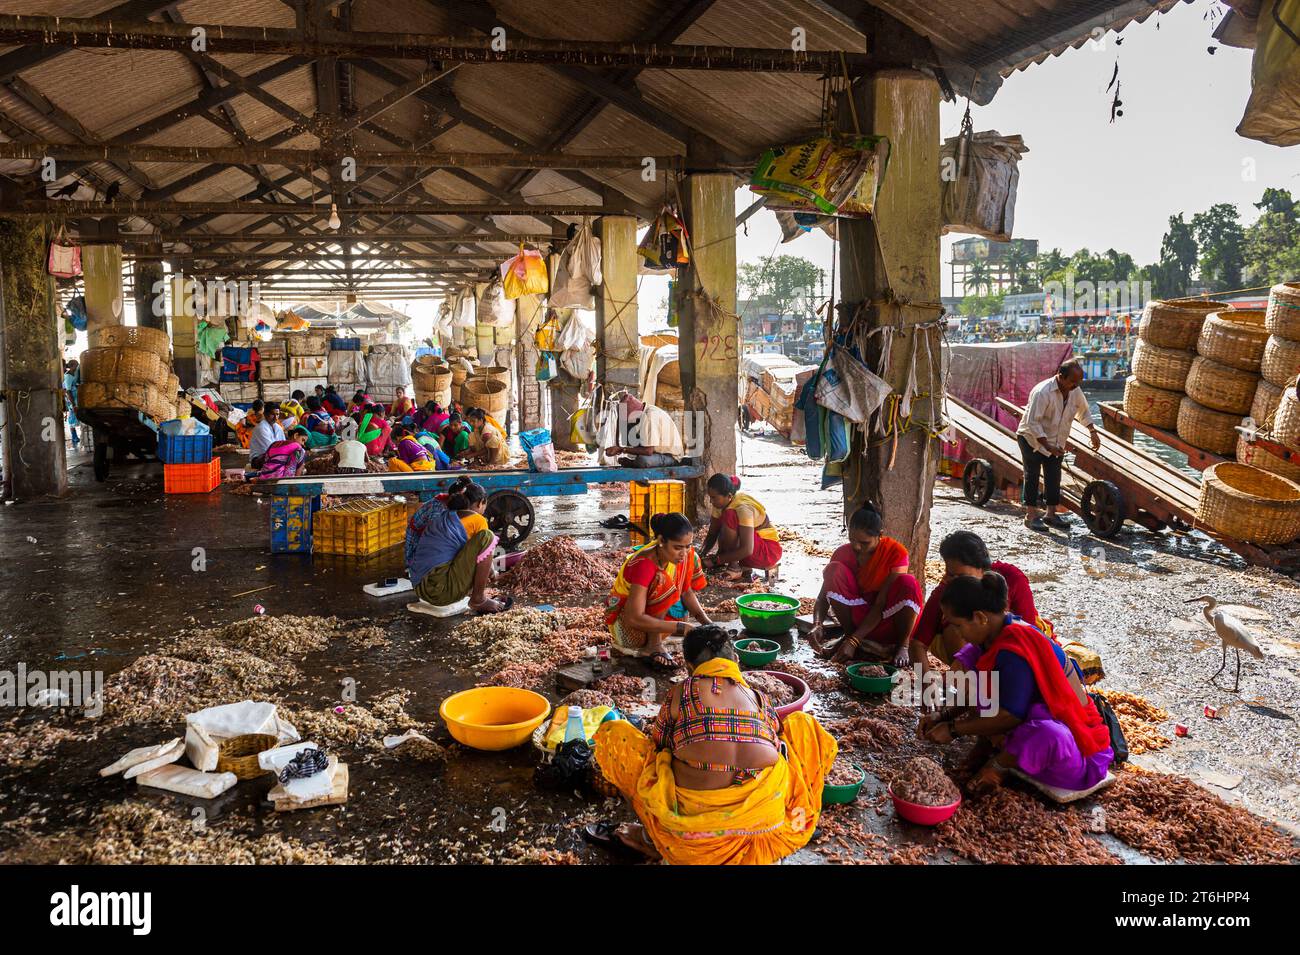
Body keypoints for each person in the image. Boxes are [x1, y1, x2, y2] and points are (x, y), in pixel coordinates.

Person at [588, 625, 837, 864]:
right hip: (765, 826)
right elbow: (775, 740)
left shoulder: (680, 693)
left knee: (616, 733)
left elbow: (659, 746)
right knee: (801, 725)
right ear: (735, 660)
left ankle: (656, 835)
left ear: (689, 667)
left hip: (693, 838)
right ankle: (790, 809)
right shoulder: (758, 698)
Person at [920, 573, 1114, 796]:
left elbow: (1009, 716)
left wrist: (954, 730)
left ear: (980, 618)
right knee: (972, 667)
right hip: (1027, 724)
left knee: (1049, 734)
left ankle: (1000, 766)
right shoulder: (990, 636)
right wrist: (943, 716)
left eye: (958, 625)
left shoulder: (1016, 650)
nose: (957, 633)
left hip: (1077, 752)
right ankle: (1000, 750)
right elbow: (977, 690)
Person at [909, 530, 1044, 669]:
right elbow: (918, 644)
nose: (955, 582)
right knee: (953, 630)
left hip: (1013, 646)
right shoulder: (947, 587)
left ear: (983, 570)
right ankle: (971, 679)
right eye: (950, 574)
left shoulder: (1012, 579)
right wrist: (925, 684)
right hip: (973, 652)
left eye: (962, 576)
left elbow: (1028, 634)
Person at [807, 504, 922, 666]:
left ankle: (903, 644)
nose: (856, 546)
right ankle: (848, 635)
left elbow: (880, 604)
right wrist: (817, 625)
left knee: (908, 582)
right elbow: (822, 597)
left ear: (879, 536)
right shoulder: (842, 553)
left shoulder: (896, 553)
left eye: (864, 542)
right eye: (852, 540)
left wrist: (855, 641)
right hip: (857, 619)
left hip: (885, 619)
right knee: (833, 570)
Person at [605, 512, 710, 668]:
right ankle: (653, 646)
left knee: (683, 618)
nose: (684, 553)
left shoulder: (682, 556)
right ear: (661, 540)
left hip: (651, 618)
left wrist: (708, 624)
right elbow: (633, 618)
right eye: (678, 547)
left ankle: (658, 637)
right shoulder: (645, 564)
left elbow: (686, 592)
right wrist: (683, 628)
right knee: (661, 581)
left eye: (688, 546)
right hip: (628, 630)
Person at [1016, 358, 1101, 530]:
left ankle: (1050, 514)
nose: (1076, 386)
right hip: (1031, 438)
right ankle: (1030, 515)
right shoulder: (1042, 392)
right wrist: (1047, 446)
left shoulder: (1075, 390)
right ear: (1060, 376)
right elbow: (1033, 422)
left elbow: (1083, 411)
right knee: (1032, 474)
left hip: (1056, 439)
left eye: (1078, 382)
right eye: (1072, 382)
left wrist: (1093, 432)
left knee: (1054, 475)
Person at [405, 484, 509, 615]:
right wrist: (493, 572)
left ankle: (475, 595)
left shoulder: (443, 515)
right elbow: (486, 552)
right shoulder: (477, 520)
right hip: (440, 592)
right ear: (480, 503)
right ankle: (478, 599)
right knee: (488, 537)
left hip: (421, 589)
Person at [700, 473, 782, 579]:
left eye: (714, 498)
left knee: (730, 515)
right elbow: (713, 532)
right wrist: (701, 555)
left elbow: (747, 549)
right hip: (747, 551)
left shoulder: (743, 508)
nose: (711, 501)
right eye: (710, 497)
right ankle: (726, 559)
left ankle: (734, 567)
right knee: (725, 519)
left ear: (729, 496)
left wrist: (714, 561)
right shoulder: (720, 503)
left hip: (767, 552)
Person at [605, 391, 685, 467]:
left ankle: (634, 463)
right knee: (632, 437)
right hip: (657, 452)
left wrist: (622, 449)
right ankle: (634, 463)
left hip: (671, 457)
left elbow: (648, 451)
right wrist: (618, 447)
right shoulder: (643, 409)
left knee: (643, 460)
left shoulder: (650, 417)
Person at [248, 405, 285, 469]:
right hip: (258, 460)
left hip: (275, 456)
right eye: (272, 414)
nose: (275, 417)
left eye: (277, 414)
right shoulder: (261, 428)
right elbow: (270, 449)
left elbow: (284, 444)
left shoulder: (278, 427)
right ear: (265, 414)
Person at [62, 360, 82, 452]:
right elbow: (68, 391)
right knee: (72, 415)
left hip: (75, 396)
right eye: (76, 366)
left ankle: (76, 436)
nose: (78, 367)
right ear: (72, 366)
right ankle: (74, 436)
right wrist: (73, 404)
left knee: (76, 415)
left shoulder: (75, 373)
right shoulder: (68, 376)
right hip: (71, 398)